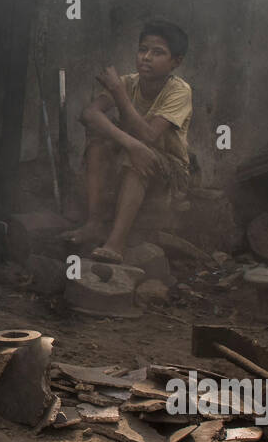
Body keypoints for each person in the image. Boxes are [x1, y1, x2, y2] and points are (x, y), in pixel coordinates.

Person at [62, 19, 192, 263]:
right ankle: (94, 224)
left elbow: (149, 136)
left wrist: (120, 96)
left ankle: (115, 243)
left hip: (171, 168)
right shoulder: (128, 81)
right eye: (143, 50)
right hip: (135, 151)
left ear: (176, 62)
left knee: (137, 159)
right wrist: (131, 145)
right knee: (98, 144)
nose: (146, 57)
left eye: (158, 53)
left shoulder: (179, 91)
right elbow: (89, 114)